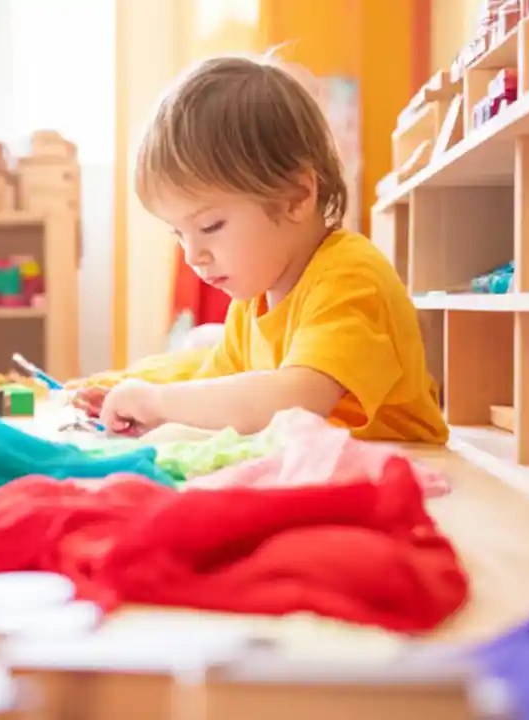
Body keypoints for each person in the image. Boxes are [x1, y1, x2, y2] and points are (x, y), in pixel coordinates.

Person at [87, 55, 448, 444]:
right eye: (179, 233)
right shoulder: (254, 299)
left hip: (408, 471)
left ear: (296, 196)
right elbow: (215, 383)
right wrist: (124, 389)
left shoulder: (351, 277)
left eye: (210, 226)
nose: (193, 255)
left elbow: (296, 399)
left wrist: (158, 401)